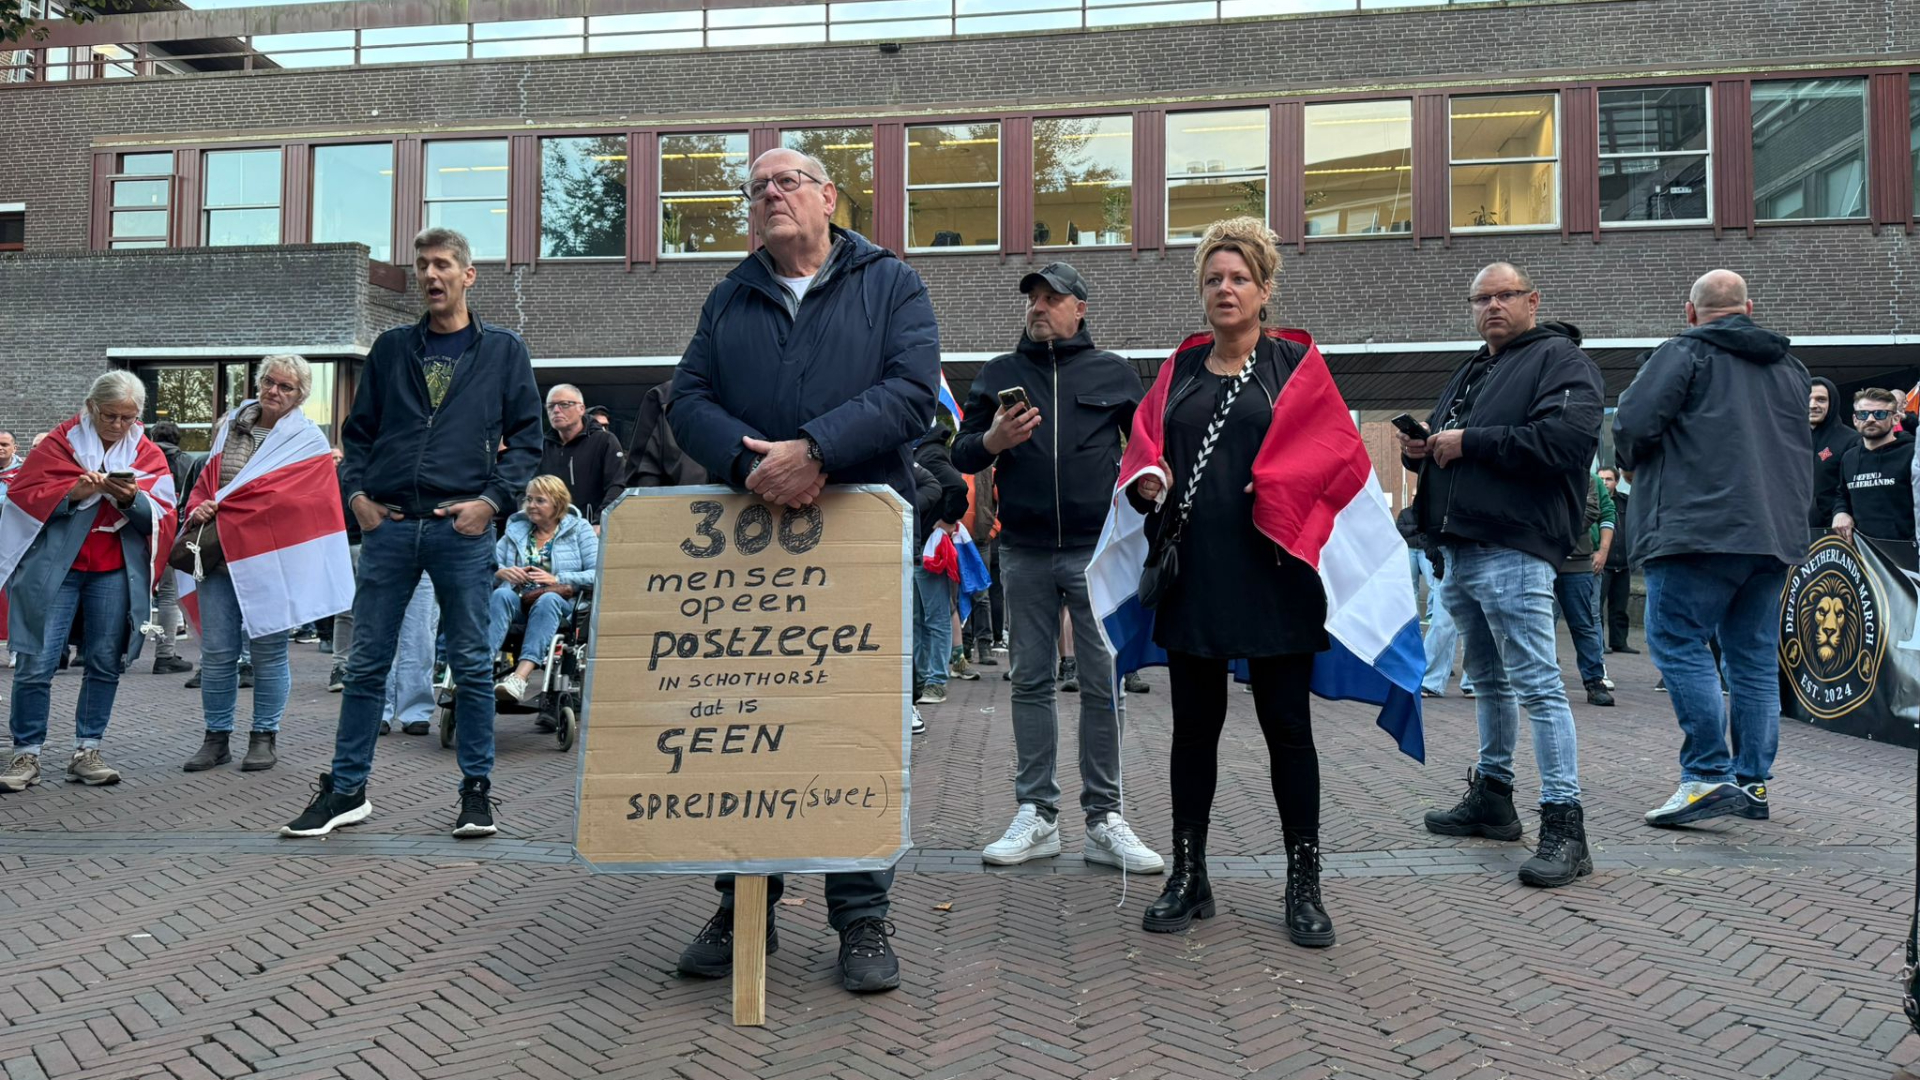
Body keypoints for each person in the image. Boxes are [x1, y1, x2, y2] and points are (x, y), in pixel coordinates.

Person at [666, 146, 938, 994]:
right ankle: (745, 904)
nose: (770, 194)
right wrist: (753, 466)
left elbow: (912, 393)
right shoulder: (730, 295)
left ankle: (861, 916)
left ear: (829, 197)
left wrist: (816, 450)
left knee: (854, 727)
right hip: (752, 550)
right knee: (748, 720)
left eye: (787, 181)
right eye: (757, 188)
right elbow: (686, 400)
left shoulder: (892, 285)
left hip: (856, 539)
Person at [280, 226, 542, 840]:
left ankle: (476, 792)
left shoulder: (503, 351)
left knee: (471, 665)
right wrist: (357, 499)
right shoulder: (393, 348)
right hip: (391, 527)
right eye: (422, 264)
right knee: (367, 664)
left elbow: (528, 441)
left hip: (462, 530)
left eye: (443, 264)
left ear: (467, 275)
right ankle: (347, 791)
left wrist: (490, 503)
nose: (430, 275)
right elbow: (359, 434)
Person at [1117, 218, 1331, 942]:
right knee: (1193, 731)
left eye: (1239, 278)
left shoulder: (1295, 365)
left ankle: (1304, 882)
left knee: (1288, 731)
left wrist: (1284, 481)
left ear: (1265, 290)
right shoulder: (1178, 370)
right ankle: (1189, 874)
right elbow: (1144, 446)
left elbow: (1335, 453)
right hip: (1196, 572)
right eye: (1213, 278)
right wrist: (1147, 480)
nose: (1225, 289)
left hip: (1277, 573)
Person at [950, 260, 1160, 873]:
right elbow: (961, 452)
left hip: (1098, 552)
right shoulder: (1000, 374)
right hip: (1023, 550)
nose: (1038, 308)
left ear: (1079, 309)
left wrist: (1148, 483)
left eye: (1051, 298)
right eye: (1032, 299)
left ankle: (1104, 819)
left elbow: (1148, 449)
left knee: (1102, 684)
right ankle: (1037, 814)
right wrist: (993, 441)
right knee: (1030, 682)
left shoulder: (1113, 372)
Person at [1401, 262, 1603, 889]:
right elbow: (1458, 448)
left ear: (1532, 301)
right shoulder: (1473, 368)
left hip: (1514, 543)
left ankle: (1566, 823)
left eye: (1504, 295)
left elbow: (1565, 442)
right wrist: (1425, 450)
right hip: (1460, 545)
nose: (1491, 306)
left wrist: (1470, 442)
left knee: (1538, 684)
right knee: (1487, 680)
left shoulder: (1561, 360)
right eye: (1481, 298)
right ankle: (1493, 796)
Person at [1613, 269, 1812, 827]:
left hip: (1696, 530)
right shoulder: (1791, 369)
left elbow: (1632, 424)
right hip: (1773, 535)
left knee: (1678, 640)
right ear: (1749, 308)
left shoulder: (1683, 353)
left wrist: (1631, 461)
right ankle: (1752, 783)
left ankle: (1706, 775)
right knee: (1752, 658)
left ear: (1690, 311)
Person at [0, 371, 176, 793]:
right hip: (56, 572)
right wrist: (72, 495)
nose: (118, 425)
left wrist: (131, 498)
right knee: (36, 661)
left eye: (128, 418)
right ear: (91, 407)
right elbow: (23, 498)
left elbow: (164, 512)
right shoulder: (58, 444)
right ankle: (26, 752)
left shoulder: (147, 452)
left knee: (104, 660)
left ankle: (88, 749)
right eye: (109, 416)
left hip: (113, 570)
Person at [181, 355, 354, 774]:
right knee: (218, 652)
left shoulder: (308, 442)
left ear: (301, 396)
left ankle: (264, 736)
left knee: (269, 651)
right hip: (219, 556)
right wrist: (199, 507)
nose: (274, 391)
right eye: (268, 382)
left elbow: (313, 505)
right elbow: (207, 483)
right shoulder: (231, 427)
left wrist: (256, 510)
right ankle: (216, 737)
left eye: (285, 387)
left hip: (273, 561)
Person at [488, 475, 596, 703]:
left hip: (560, 606)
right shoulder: (516, 530)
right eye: (528, 499)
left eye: (540, 500)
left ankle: (519, 678)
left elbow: (599, 573)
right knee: (501, 594)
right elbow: (485, 567)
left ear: (558, 503)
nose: (531, 505)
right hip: (518, 602)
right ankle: (478, 673)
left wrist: (557, 578)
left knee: (548, 600)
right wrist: (502, 572)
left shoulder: (579, 529)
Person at [911, 423, 968, 708]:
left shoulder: (928, 453)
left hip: (927, 546)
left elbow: (958, 486)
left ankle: (934, 681)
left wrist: (947, 521)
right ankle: (924, 680)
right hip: (921, 546)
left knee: (932, 618)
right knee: (921, 618)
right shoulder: (925, 451)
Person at [1831, 387, 1917, 558]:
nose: (1870, 419)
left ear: (1895, 418)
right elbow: (1842, 494)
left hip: (1908, 557)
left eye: (1879, 414)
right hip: (1864, 557)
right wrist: (1840, 512)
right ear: (1855, 419)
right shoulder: (1849, 458)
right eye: (1863, 414)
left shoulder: (1913, 453)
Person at [1553, 471, 1615, 706]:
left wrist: (1549, 529)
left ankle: (1594, 681)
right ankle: (1540, 681)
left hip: (1575, 561)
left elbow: (1590, 511)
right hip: (1538, 558)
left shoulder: (1584, 475)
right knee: (1537, 624)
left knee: (1584, 623)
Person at [143, 420, 196, 676]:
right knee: (167, 595)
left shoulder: (143, 460)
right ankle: (164, 655)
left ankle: (118, 654)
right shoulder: (188, 463)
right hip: (171, 536)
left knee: (130, 593)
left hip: (140, 535)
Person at [536, 384, 625, 525]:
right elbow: (525, 489)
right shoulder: (541, 446)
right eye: (550, 406)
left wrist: (600, 522)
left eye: (564, 404)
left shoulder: (604, 441)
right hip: (550, 530)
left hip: (592, 528)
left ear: (581, 409)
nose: (556, 410)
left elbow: (617, 486)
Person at [625, 382, 707, 488]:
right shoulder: (662, 396)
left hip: (690, 491)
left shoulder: (664, 396)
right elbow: (643, 473)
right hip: (680, 496)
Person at [1808, 377, 1858, 535]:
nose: (1812, 405)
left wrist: (1843, 511)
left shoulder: (1851, 440)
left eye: (1821, 399)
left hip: (1835, 533)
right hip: (1792, 532)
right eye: (1807, 399)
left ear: (1833, 403)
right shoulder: (1787, 440)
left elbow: (1852, 488)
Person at [1597, 468, 1637, 654]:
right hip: (1602, 563)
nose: (1605, 483)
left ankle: (1619, 642)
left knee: (1620, 606)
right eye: (1601, 479)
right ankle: (1598, 643)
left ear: (1617, 481)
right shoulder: (1593, 500)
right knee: (1596, 606)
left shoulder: (1627, 502)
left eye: (1609, 479)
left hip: (1623, 562)